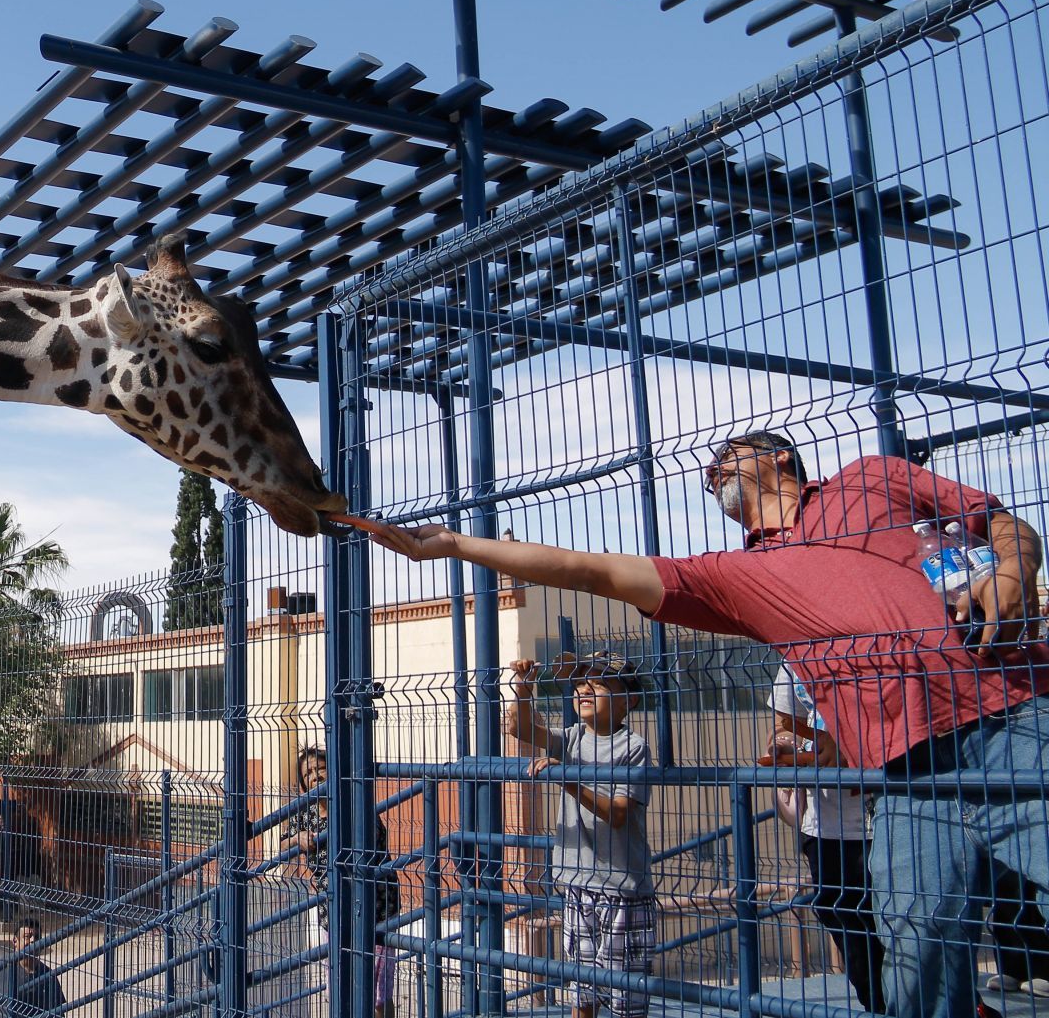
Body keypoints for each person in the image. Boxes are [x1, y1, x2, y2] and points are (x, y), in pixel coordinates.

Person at [330, 430, 1049, 1018]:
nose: (711, 473)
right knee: (915, 956)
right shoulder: (734, 580)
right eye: (708, 473)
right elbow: (592, 569)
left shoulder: (872, 475)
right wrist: (455, 546)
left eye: (725, 457)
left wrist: (1011, 574)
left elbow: (1005, 520)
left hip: (1013, 713)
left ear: (780, 458)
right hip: (907, 775)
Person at [505, 651, 656, 1018]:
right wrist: (524, 689)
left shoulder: (633, 748)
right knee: (582, 991)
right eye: (579, 682)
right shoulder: (571, 737)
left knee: (625, 996)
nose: (584, 688)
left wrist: (571, 782)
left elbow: (618, 814)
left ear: (628, 701)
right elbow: (521, 729)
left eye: (599, 682)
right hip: (577, 882)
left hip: (622, 888)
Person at [768, 664, 886, 1012]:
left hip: (882, 813)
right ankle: (879, 1004)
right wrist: (784, 747)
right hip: (823, 821)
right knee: (838, 911)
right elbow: (784, 723)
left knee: (899, 921)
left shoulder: (874, 639)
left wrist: (851, 745)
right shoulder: (794, 655)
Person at [280, 744, 402, 1018]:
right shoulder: (305, 812)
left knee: (380, 994)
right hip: (333, 912)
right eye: (308, 773)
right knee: (339, 987)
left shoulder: (352, 802)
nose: (315, 776)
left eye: (320, 769)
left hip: (376, 907)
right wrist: (296, 840)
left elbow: (370, 842)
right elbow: (282, 842)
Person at [0, 916, 66, 1018]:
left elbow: (58, 1013)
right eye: (27, 936)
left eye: (37, 937)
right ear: (15, 941)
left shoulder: (48, 976)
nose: (33, 940)